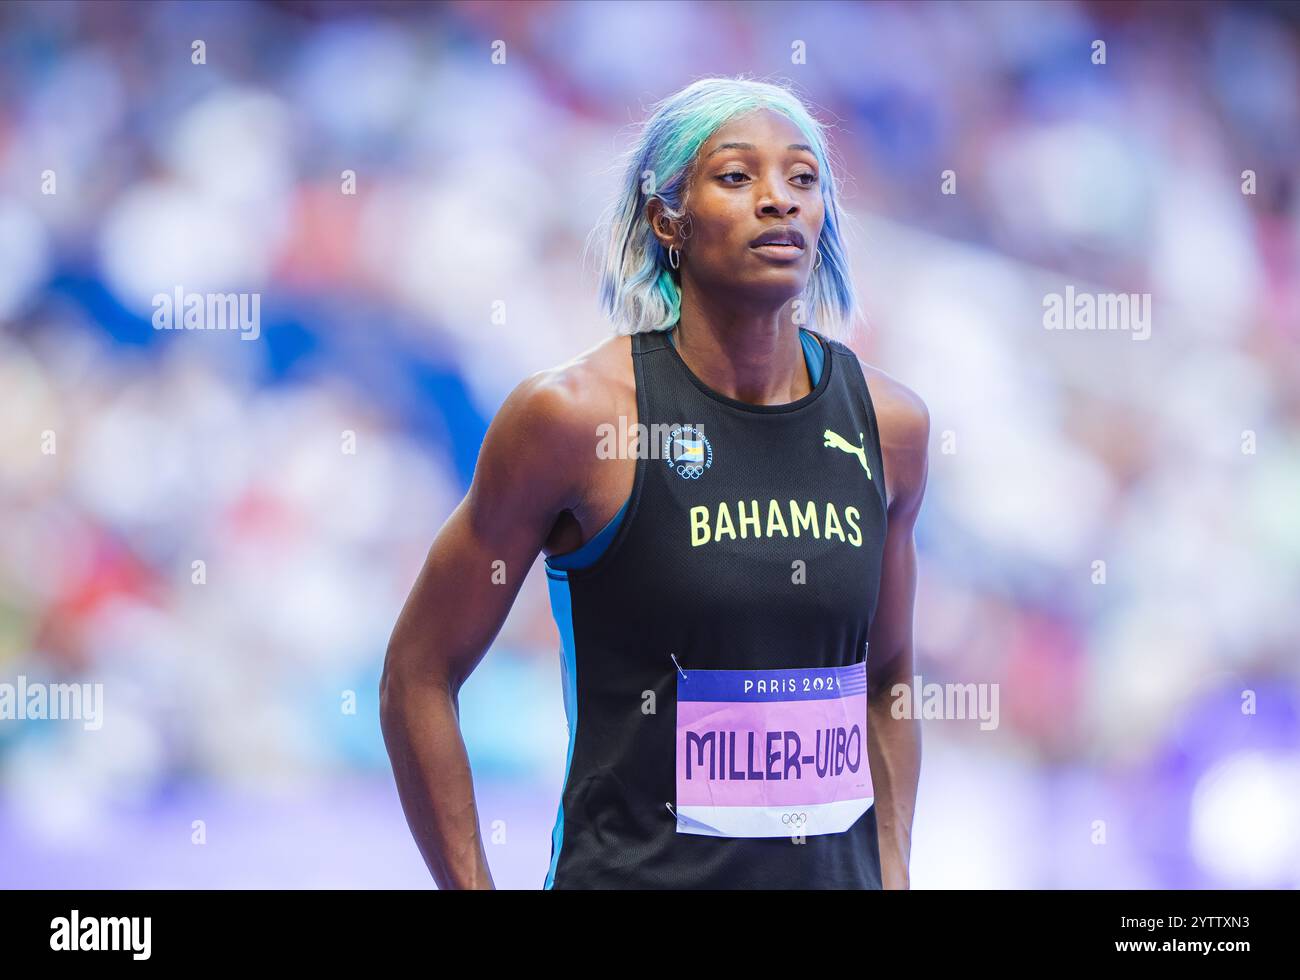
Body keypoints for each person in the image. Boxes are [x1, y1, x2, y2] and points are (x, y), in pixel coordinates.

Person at [380, 76, 928, 889]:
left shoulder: (888, 427)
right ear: (668, 218)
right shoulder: (573, 420)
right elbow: (416, 676)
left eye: (802, 178)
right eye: (737, 177)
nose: (778, 200)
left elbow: (886, 685)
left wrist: (890, 871)